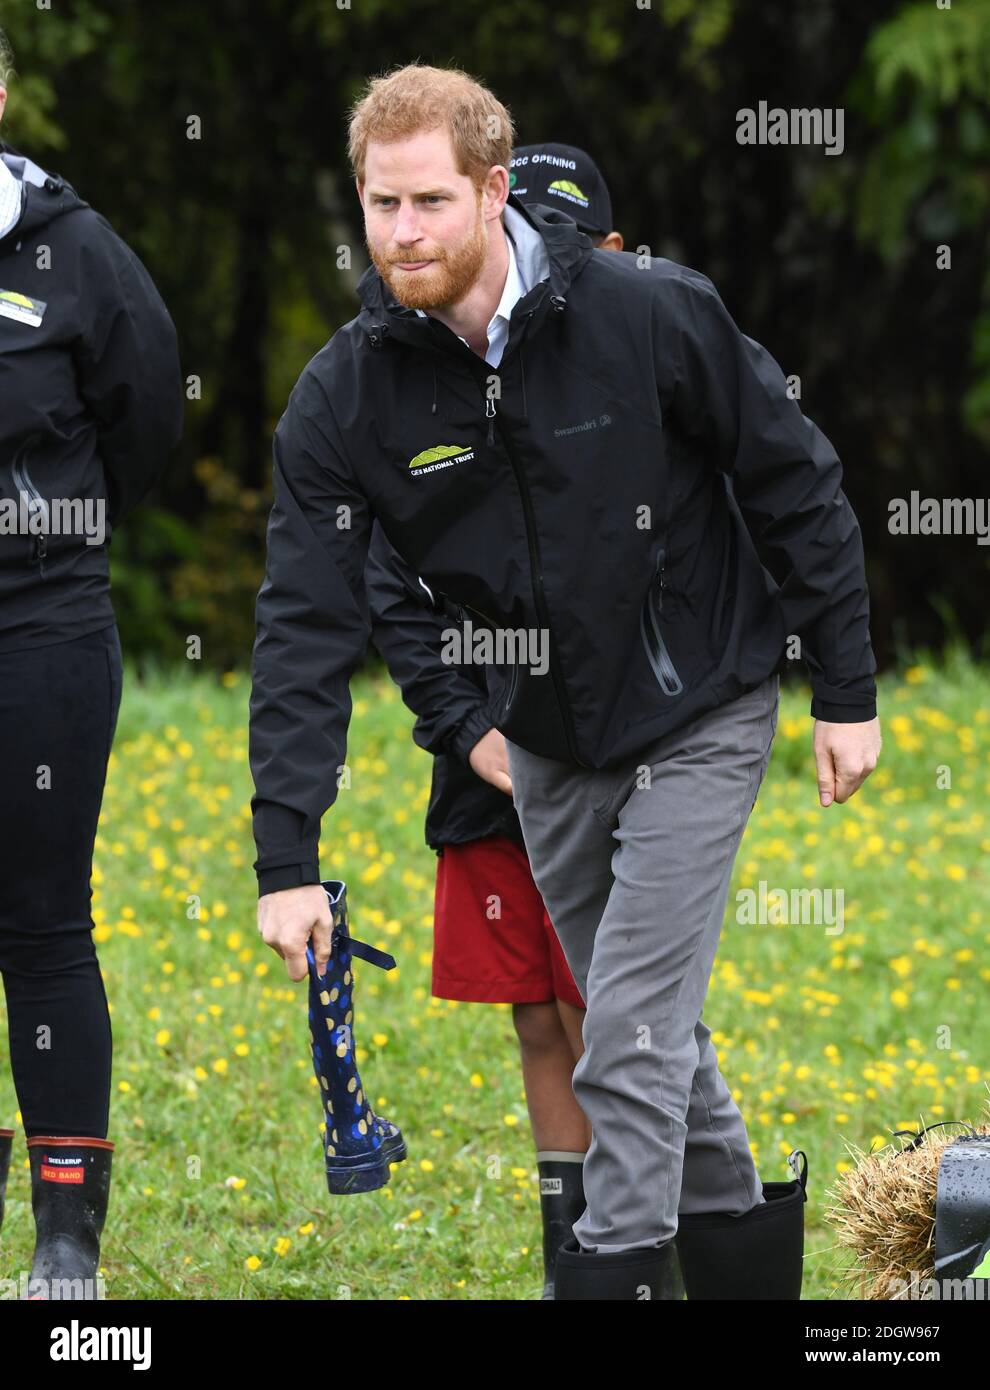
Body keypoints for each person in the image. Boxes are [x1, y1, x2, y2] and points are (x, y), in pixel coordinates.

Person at [249, 63, 881, 1301]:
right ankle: (751, 1278)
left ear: (494, 190)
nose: (402, 232)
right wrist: (285, 854)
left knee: (626, 1038)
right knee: (658, 1037)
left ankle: (606, 1282)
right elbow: (304, 621)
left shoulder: (645, 311)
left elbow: (793, 477)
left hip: (699, 702)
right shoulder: (347, 395)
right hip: (544, 743)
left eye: (429, 200)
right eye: (380, 205)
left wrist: (845, 686)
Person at [362, 143, 636, 1298]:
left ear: (609, 254)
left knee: (622, 1023)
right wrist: (480, 741)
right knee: (538, 1016)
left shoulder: (639, 372)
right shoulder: (409, 389)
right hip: (488, 766)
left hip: (622, 758)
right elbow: (391, 595)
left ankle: (643, 1240)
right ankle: (566, 1250)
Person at [0, 30, 183, 1298]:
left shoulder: (75, 250)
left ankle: (67, 1238)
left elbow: (149, 419)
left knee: (42, 924)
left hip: (40, 634)